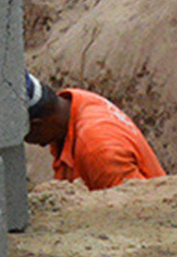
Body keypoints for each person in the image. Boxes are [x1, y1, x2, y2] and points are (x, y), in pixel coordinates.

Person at [25, 73, 163, 190]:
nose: (27, 141)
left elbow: (132, 213)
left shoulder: (97, 150)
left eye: (25, 135)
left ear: (37, 125)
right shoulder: (69, 108)